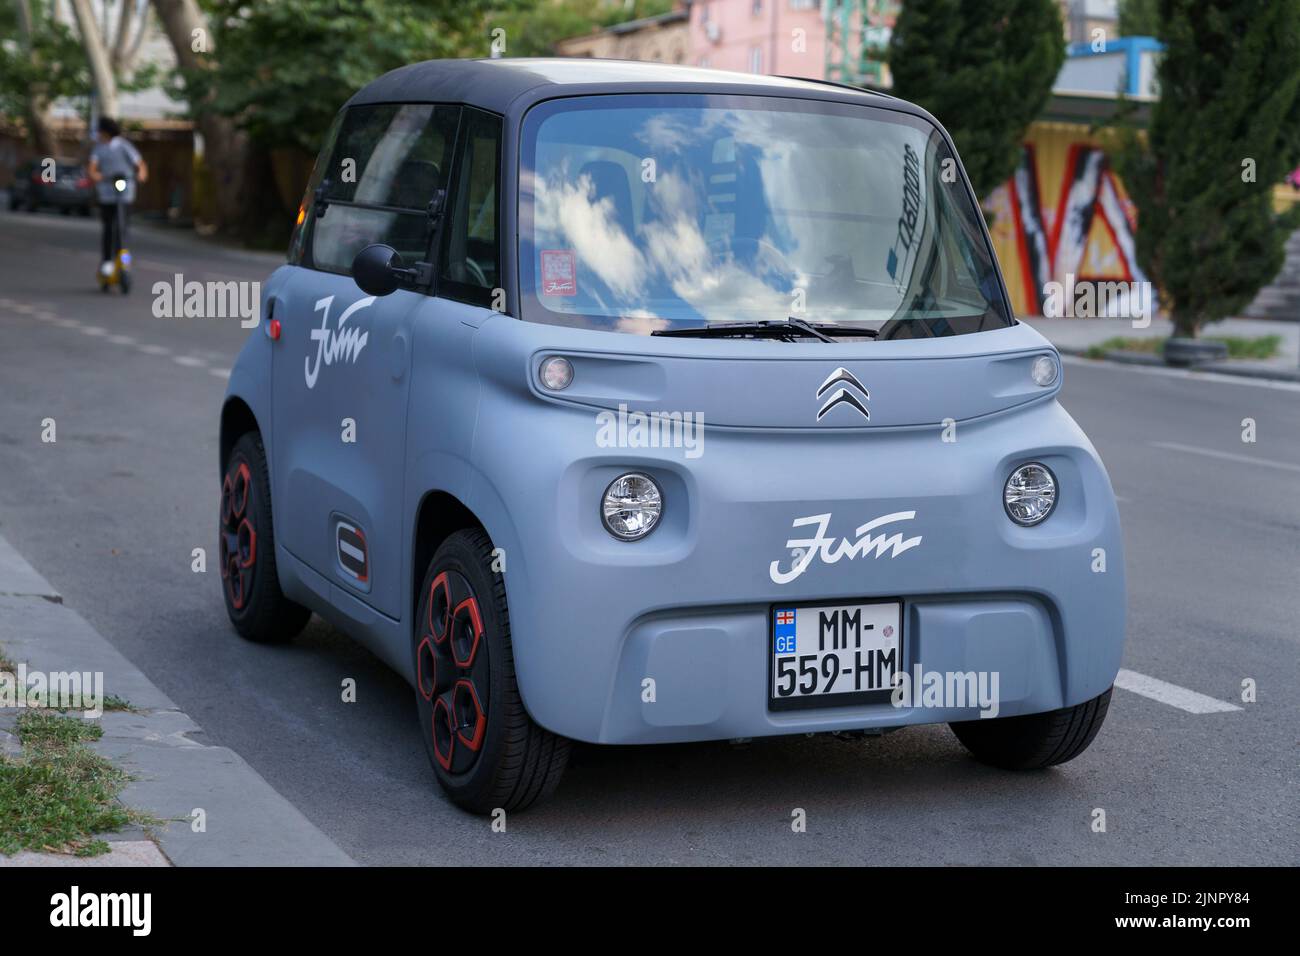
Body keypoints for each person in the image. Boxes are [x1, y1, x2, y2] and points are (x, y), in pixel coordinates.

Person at [87, 117, 148, 277]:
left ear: (105, 132)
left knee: (123, 228)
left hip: (125, 192)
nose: (98, 134)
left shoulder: (124, 146)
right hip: (107, 192)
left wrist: (141, 174)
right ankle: (107, 260)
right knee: (108, 227)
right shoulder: (99, 149)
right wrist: (96, 175)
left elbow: (139, 163)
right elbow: (92, 168)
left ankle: (124, 259)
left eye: (99, 131)